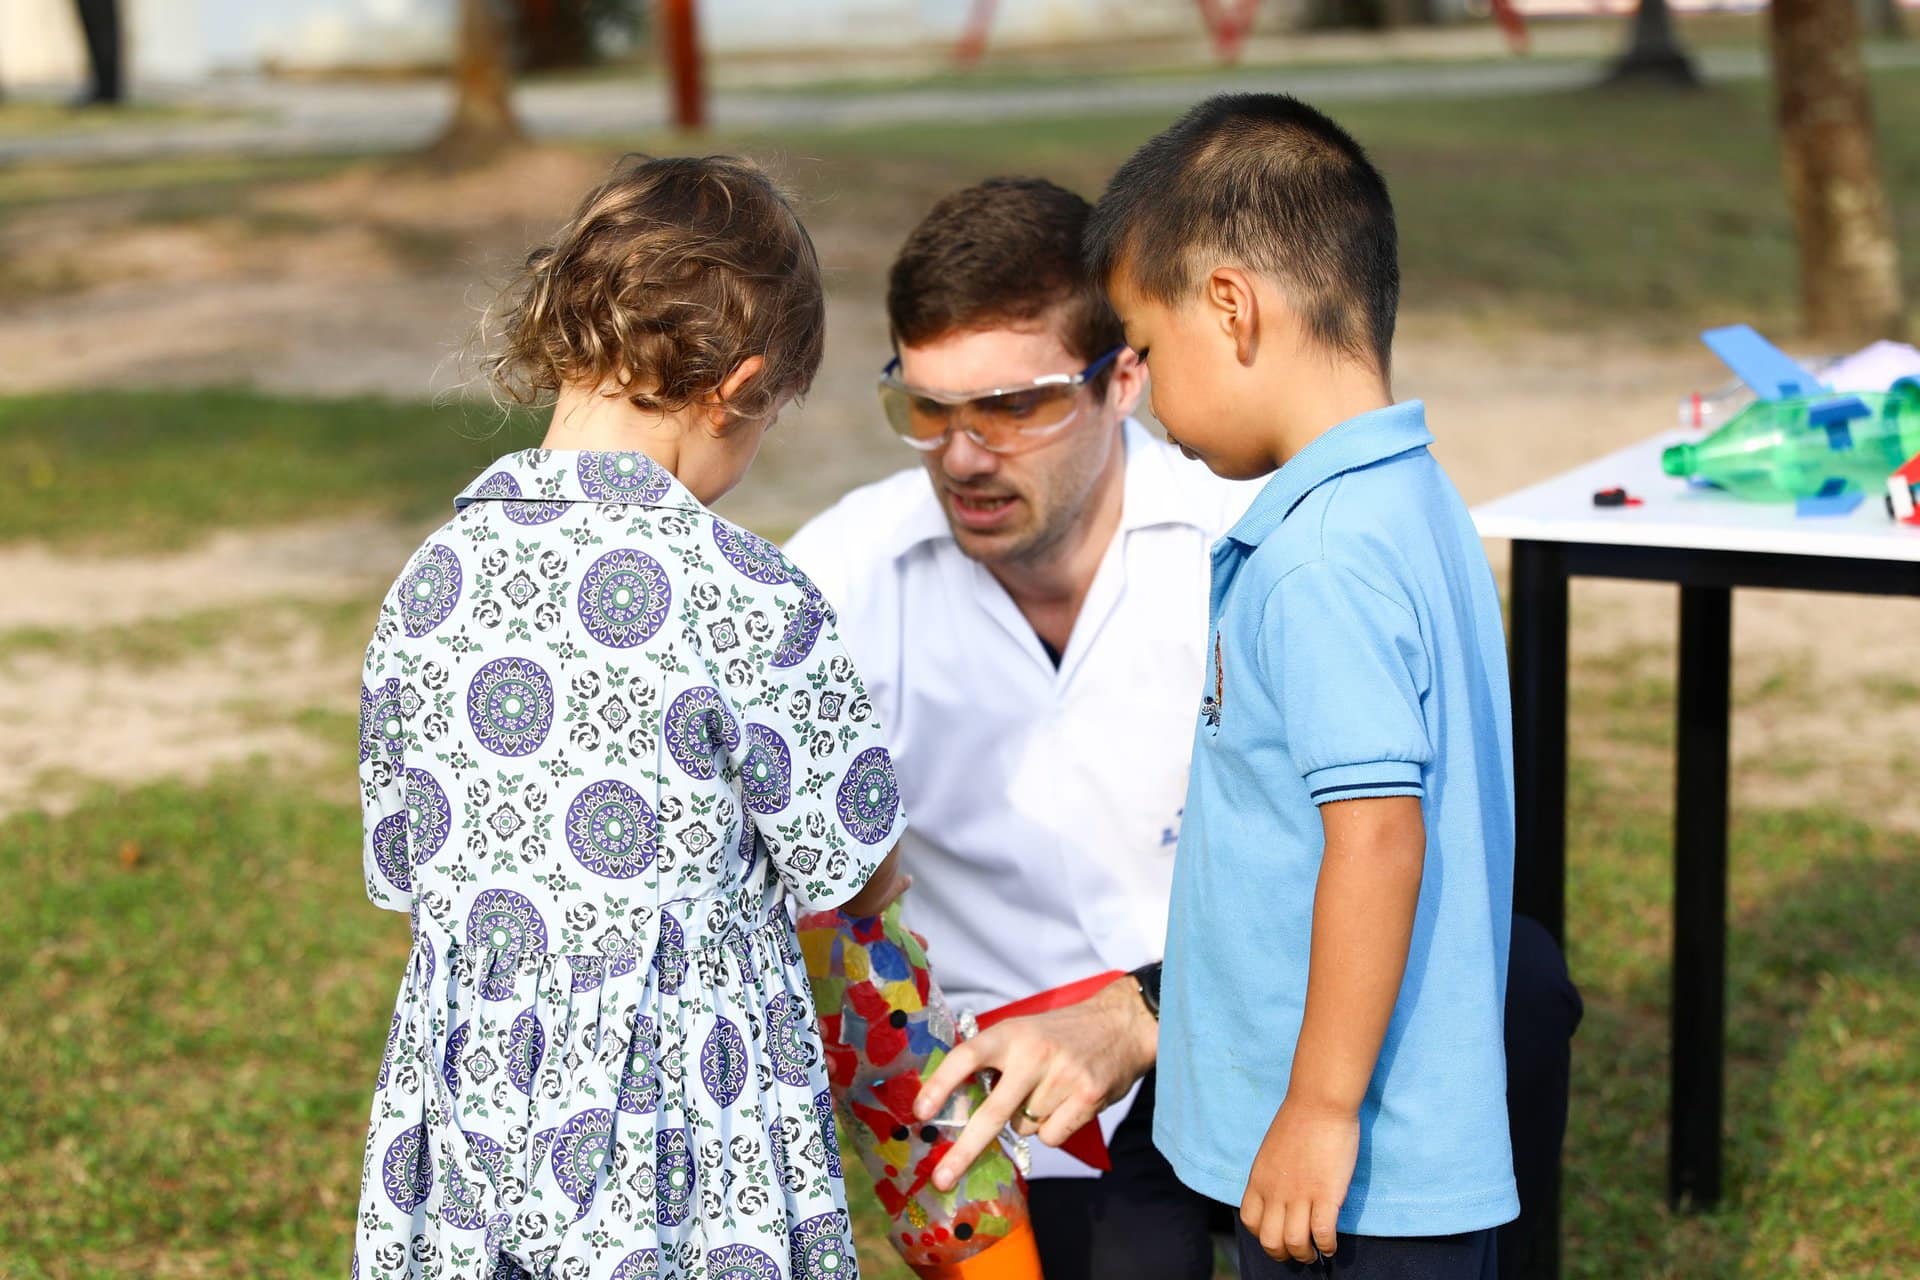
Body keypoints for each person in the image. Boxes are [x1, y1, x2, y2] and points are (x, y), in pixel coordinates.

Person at [784, 176, 1580, 1280]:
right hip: (1024, 1104)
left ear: (1124, 380)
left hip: (1257, 1021)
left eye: (1012, 406)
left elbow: (1386, 843)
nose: (962, 455)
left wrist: (1144, 1012)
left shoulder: (1258, 541)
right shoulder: (834, 580)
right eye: (926, 409)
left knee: (1520, 983)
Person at [350, 155, 908, 1280]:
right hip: (685, 1132)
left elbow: (404, 871)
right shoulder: (744, 589)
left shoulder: (431, 580)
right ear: (735, 388)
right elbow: (852, 866)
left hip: (471, 1125)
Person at [1084, 93, 1517, 1278]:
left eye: (1145, 345)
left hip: (1357, 1173)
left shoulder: (1319, 558)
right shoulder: (1411, 498)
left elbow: (1377, 834)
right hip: (1377, 1153)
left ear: (1230, 307)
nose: (1145, 390)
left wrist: (1319, 1107)